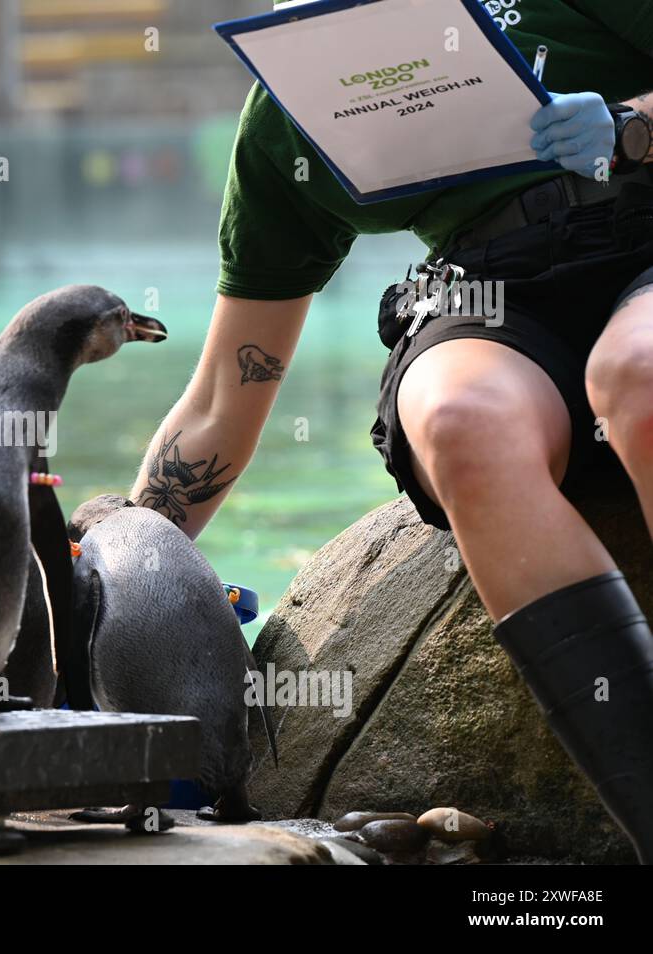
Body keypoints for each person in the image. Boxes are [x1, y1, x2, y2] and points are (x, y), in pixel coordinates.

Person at [131, 2, 653, 862]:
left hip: (643, 246)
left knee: (637, 376)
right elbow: (228, 390)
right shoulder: (293, 97)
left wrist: (633, 126)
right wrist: (112, 566)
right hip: (495, 294)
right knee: (459, 421)